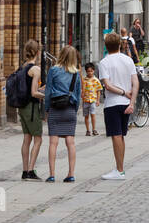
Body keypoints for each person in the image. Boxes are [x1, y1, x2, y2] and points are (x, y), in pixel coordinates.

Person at [98, 29, 138, 180]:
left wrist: (122, 93)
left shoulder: (104, 62)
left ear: (106, 46)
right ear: (120, 45)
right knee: (121, 136)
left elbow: (107, 85)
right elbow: (135, 82)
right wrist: (131, 102)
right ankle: (120, 168)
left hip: (113, 103)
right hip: (126, 103)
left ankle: (119, 170)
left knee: (116, 136)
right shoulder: (128, 60)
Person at [43, 46, 83, 182]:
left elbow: (48, 91)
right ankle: (71, 174)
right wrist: (75, 109)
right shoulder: (76, 73)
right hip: (70, 108)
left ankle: (52, 174)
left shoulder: (53, 70)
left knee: (53, 143)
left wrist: (47, 109)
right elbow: (78, 94)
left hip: (55, 108)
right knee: (70, 142)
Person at [18, 40, 44, 180]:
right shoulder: (36, 69)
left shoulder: (23, 67)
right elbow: (34, 93)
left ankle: (24, 170)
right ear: (38, 52)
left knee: (27, 138)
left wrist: (41, 89)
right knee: (38, 139)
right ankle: (30, 170)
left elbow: (29, 89)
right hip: (31, 108)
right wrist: (46, 95)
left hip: (22, 107)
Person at [82, 61, 103, 136]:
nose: (90, 73)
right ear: (86, 71)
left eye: (91, 71)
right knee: (86, 116)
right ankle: (88, 130)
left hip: (93, 100)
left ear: (94, 71)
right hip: (85, 100)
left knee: (93, 115)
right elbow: (82, 90)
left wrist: (98, 100)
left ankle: (94, 129)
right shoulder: (84, 80)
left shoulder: (96, 80)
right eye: (88, 71)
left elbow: (98, 91)